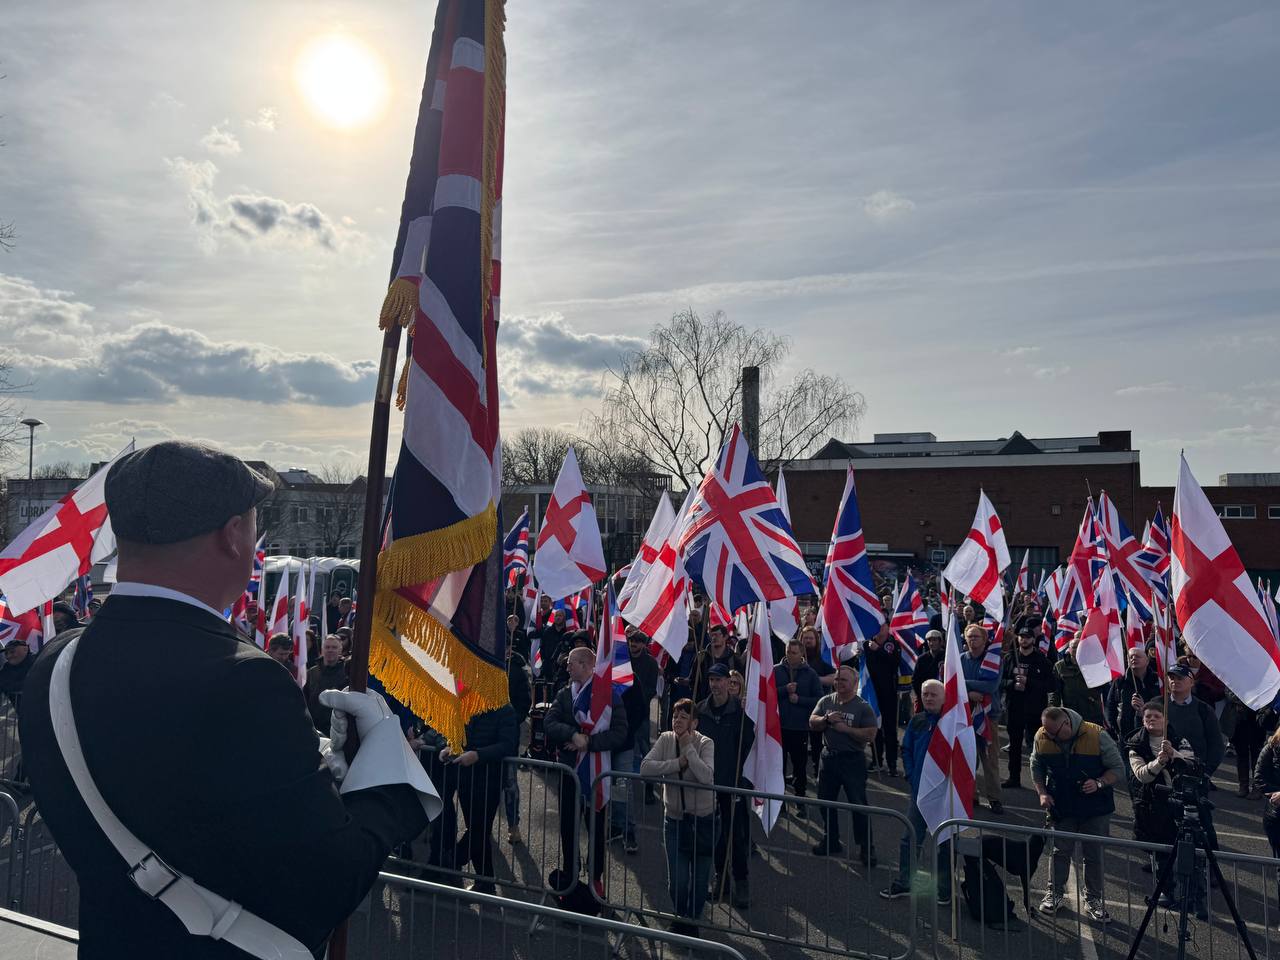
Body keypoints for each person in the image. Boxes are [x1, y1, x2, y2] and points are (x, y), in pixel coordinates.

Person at [18, 440, 438, 958]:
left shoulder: (54, 664)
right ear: (233, 535)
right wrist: (388, 772)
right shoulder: (246, 682)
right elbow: (326, 881)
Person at [544, 646, 629, 892]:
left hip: (597, 773)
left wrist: (589, 742)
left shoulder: (609, 695)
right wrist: (572, 734)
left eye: (572, 663)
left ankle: (596, 878)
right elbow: (550, 722)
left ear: (586, 665)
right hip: (570, 772)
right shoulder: (564, 694)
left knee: (597, 829)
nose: (567, 667)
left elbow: (620, 732)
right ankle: (570, 874)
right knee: (568, 827)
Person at [1031, 705, 1125, 923]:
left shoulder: (1097, 735)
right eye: (1047, 732)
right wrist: (1042, 793)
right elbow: (1036, 766)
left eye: (1055, 732)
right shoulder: (1042, 735)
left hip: (1096, 808)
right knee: (1059, 851)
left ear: (1067, 723)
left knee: (1093, 855)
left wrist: (1099, 783)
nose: (1051, 736)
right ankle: (1054, 893)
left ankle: (1093, 898)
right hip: (1062, 807)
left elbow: (1119, 768)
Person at [641, 698, 715, 935]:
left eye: (684, 717)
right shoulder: (665, 739)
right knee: (678, 880)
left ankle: (691, 922)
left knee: (700, 880)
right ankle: (681, 915)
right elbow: (645, 768)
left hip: (702, 820)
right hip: (674, 820)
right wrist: (675, 763)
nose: (677, 721)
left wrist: (688, 749)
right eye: (675, 716)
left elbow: (706, 776)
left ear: (694, 722)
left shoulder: (706, 743)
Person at [880, 679, 952, 905]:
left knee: (944, 844)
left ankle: (944, 889)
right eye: (925, 694)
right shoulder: (917, 721)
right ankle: (904, 882)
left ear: (944, 697)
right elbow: (907, 749)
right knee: (909, 839)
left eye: (933, 694)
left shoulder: (952, 723)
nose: (929, 698)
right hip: (919, 792)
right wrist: (910, 775)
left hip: (944, 794)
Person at [434, 704, 519, 894]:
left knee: (479, 830)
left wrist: (478, 755)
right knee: (477, 830)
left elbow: (507, 745)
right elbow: (447, 730)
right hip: (465, 778)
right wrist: (447, 746)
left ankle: (454, 859)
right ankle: (485, 880)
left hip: (489, 780)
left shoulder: (505, 709)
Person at [697, 663, 755, 908]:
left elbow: (749, 746)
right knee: (716, 836)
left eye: (719, 680)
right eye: (711, 680)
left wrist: (740, 775)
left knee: (737, 836)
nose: (715, 685)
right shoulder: (699, 710)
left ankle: (741, 881)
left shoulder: (741, 713)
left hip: (733, 784)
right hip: (709, 784)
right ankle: (721, 878)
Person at [809, 663, 879, 864]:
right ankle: (831, 840)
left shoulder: (862, 707)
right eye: (837, 679)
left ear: (855, 683)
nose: (839, 683)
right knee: (825, 802)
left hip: (852, 761)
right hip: (829, 758)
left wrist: (845, 730)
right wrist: (826, 719)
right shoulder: (826, 700)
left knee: (858, 805)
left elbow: (870, 734)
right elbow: (812, 722)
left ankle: (867, 847)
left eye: (844, 680)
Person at [774, 638, 823, 818]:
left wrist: (799, 700)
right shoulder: (776, 670)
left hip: (799, 728)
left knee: (799, 767)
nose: (790, 655)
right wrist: (783, 690)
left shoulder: (810, 674)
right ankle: (779, 802)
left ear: (801, 654)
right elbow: (768, 693)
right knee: (778, 767)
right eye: (788, 651)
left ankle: (800, 800)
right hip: (778, 727)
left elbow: (818, 700)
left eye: (794, 652)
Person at [1000, 626, 1053, 789]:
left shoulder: (1042, 660)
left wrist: (1028, 682)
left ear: (1033, 640)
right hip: (1014, 707)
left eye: (1027, 637)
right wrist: (1012, 683)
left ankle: (1042, 781)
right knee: (1015, 746)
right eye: (1021, 637)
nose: (1024, 640)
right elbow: (1000, 681)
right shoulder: (1010, 658)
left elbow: (1051, 685)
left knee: (1038, 746)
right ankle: (1013, 777)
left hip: (1035, 710)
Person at [959, 624, 1004, 814]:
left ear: (985, 639)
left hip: (988, 716)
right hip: (965, 715)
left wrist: (965, 684)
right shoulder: (961, 659)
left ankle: (994, 798)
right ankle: (971, 795)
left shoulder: (994, 659)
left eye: (976, 636)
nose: (972, 640)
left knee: (990, 760)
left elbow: (992, 686)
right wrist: (970, 693)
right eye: (969, 636)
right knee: (969, 758)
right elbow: (953, 682)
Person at [503, 641, 533, 844]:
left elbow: (525, 702)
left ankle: (514, 825)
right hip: (483, 739)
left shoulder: (515, 670)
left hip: (508, 738)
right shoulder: (480, 665)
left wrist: (513, 720)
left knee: (510, 784)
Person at [862, 628, 902, 775]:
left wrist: (878, 650)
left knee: (889, 729)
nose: (879, 628)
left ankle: (892, 764)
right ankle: (876, 760)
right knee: (874, 727)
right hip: (872, 692)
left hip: (889, 693)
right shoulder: (867, 644)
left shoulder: (893, 644)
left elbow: (894, 663)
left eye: (882, 624)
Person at [1105, 647, 1162, 744]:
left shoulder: (1158, 680)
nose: (1133, 659)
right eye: (1130, 657)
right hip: (1126, 734)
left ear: (1147, 661)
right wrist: (1116, 730)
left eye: (1138, 656)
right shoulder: (1120, 682)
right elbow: (1110, 707)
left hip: (1154, 734)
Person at [1049, 636, 1106, 726]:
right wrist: (1053, 708)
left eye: (1079, 647)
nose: (1076, 649)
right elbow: (1055, 691)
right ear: (1069, 649)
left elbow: (1103, 685)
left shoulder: (1092, 664)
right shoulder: (1060, 666)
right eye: (1074, 647)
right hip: (1071, 712)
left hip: (1092, 712)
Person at [304, 634, 349, 733]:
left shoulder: (347, 673)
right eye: (327, 647)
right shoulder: (311, 673)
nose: (330, 650)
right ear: (322, 649)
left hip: (337, 729)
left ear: (340, 650)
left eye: (334, 647)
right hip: (314, 728)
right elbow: (305, 699)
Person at [691, 625, 743, 703]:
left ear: (725, 637)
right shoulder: (702, 657)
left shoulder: (733, 659)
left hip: (727, 703)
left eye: (717, 635)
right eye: (712, 635)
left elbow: (740, 681)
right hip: (705, 702)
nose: (714, 638)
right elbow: (694, 680)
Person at [911, 630, 945, 706]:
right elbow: (915, 680)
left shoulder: (947, 656)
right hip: (926, 698)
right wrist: (923, 696)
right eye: (929, 640)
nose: (932, 643)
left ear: (940, 641)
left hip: (943, 697)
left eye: (935, 640)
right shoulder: (921, 659)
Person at [0, 637, 33, 712]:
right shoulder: (7, 667)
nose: (8, 656)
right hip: (22, 714)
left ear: (25, 649)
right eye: (6, 653)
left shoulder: (36, 663)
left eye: (12, 652)